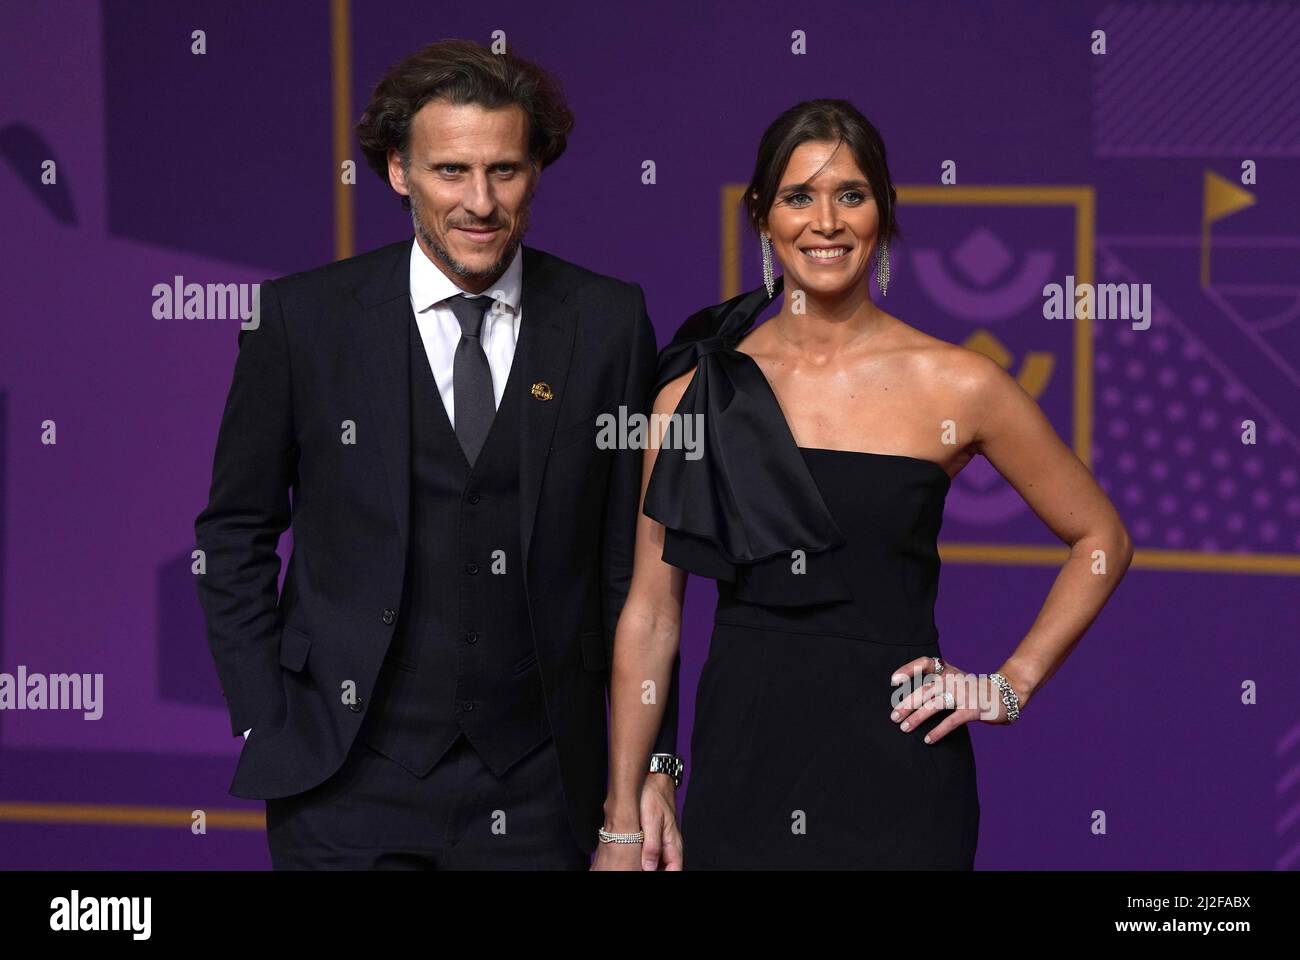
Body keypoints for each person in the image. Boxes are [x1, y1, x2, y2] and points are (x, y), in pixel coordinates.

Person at [594, 98, 1133, 870]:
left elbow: (1101, 539)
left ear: (883, 211)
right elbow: (651, 614)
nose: (826, 222)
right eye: (798, 196)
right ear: (762, 216)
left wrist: (1009, 684)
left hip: (900, 778)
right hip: (743, 762)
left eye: (851, 194)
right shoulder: (697, 389)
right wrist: (624, 812)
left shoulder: (958, 384)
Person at [194, 39, 681, 870]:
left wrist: (650, 772)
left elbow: (629, 573)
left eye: (506, 170)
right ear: (398, 172)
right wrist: (263, 714)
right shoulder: (303, 320)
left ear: (536, 172)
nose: (480, 202)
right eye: (451, 171)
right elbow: (234, 532)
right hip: (344, 781)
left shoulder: (606, 323)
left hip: (538, 788)